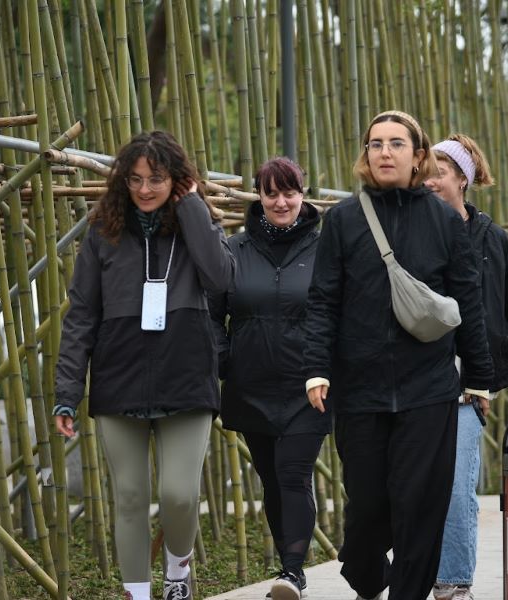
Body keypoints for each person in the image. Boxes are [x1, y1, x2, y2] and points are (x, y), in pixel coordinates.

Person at [302, 111, 493, 600]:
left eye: (397, 143)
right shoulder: (343, 220)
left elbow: (467, 301)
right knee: (367, 506)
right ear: (365, 155)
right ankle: (364, 571)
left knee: (419, 505)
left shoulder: (445, 222)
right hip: (360, 387)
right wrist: (316, 368)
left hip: (428, 387)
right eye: (376, 144)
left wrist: (478, 377)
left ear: (418, 155)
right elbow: (322, 300)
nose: (385, 151)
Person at [53, 130, 234, 600]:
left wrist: (193, 205)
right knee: (130, 497)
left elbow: (220, 278)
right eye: (134, 179)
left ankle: (178, 573)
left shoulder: (196, 223)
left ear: (177, 179)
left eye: (157, 179)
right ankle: (136, 593)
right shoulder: (103, 231)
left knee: (178, 493)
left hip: (186, 374)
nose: (145, 189)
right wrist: (67, 392)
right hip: (119, 377)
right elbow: (81, 315)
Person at [425, 134, 508, 600]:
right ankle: (410, 572)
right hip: (413, 379)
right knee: (411, 488)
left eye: (440, 171)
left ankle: (453, 582)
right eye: (427, 172)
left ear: (464, 178)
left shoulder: (493, 239)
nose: (431, 180)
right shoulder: (412, 230)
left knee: (458, 487)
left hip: (469, 382)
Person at [209, 157, 330, 600]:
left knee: (293, 472)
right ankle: (288, 563)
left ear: (304, 193)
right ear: (258, 196)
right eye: (271, 193)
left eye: (289, 192)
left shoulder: (326, 248)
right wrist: (228, 361)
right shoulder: (233, 249)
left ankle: (292, 572)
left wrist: (329, 368)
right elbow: (211, 314)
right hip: (251, 383)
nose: (281, 202)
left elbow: (337, 314)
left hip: (309, 386)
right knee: (272, 478)